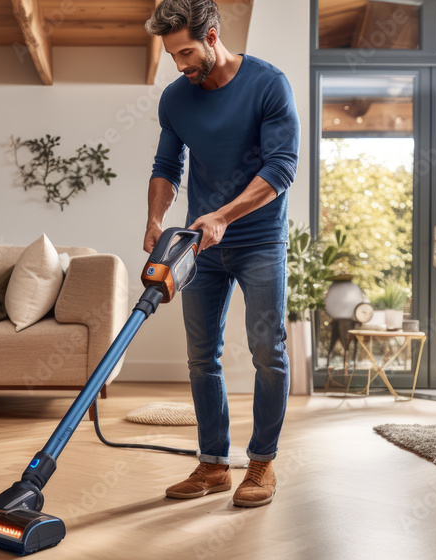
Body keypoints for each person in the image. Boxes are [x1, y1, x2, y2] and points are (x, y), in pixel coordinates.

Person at [143, 0, 300, 508]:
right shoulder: (176, 98)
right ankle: (213, 464)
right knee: (200, 358)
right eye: (172, 55)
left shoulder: (268, 84)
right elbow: (167, 165)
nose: (180, 64)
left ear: (212, 36)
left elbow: (280, 169)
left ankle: (261, 463)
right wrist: (154, 219)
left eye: (186, 51)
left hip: (258, 242)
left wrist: (224, 216)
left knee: (267, 353)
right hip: (200, 247)